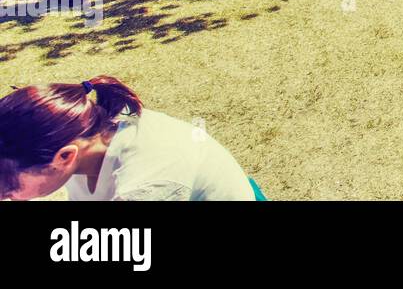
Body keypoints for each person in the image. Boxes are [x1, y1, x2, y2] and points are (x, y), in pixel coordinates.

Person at [0, 77, 258, 201]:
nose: (5, 198)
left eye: (9, 189)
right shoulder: (83, 136)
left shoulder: (146, 180)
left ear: (65, 156)